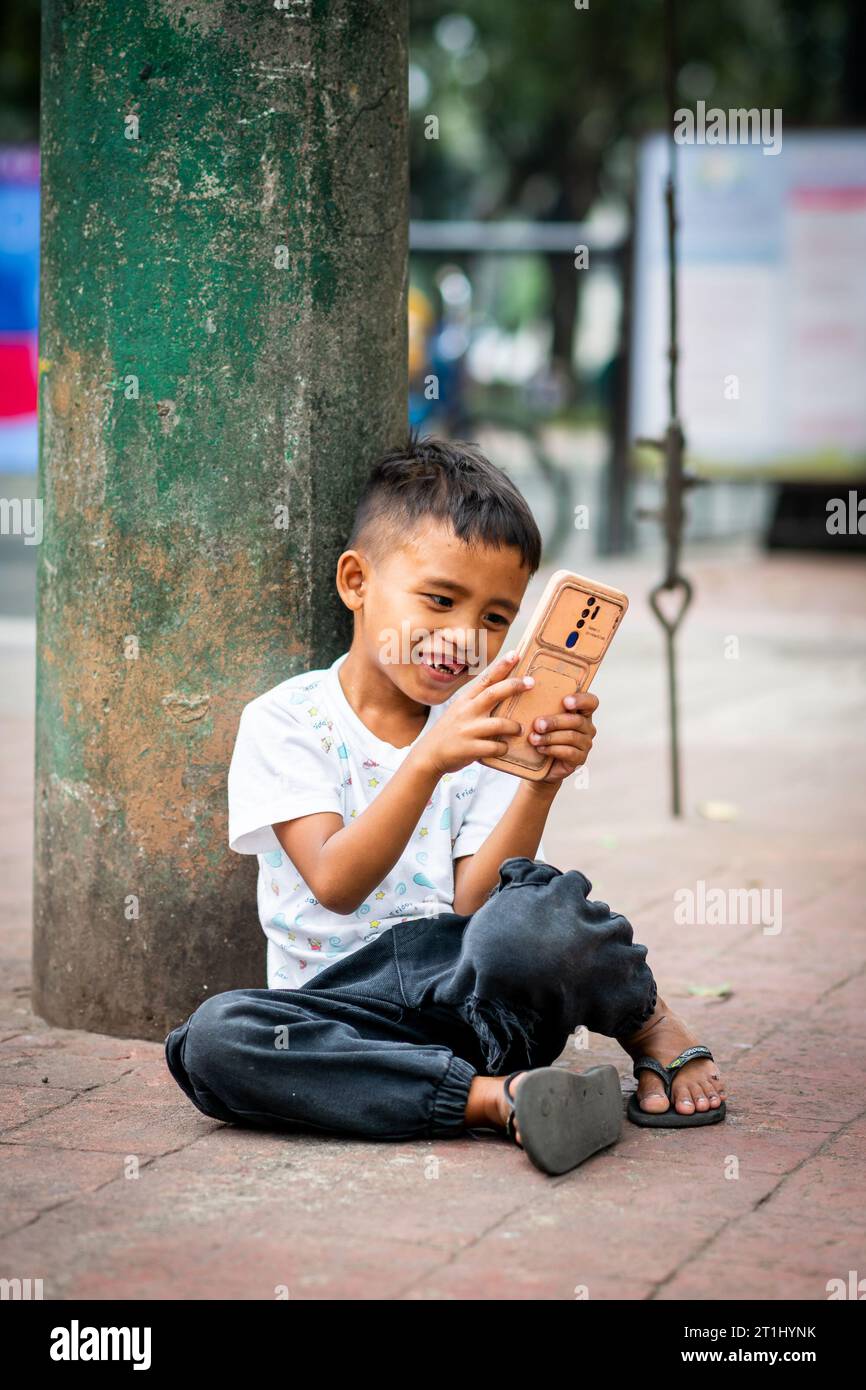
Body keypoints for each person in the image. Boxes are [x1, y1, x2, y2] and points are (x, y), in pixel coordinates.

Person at [164, 430, 727, 1175]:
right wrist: (429, 760)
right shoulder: (287, 721)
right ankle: (497, 1100)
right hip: (344, 1008)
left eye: (497, 618)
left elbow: (476, 904)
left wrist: (539, 779)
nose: (465, 637)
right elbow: (334, 883)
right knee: (216, 1038)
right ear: (357, 583)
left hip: (471, 998)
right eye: (440, 599)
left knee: (539, 907)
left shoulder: (483, 725)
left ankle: (647, 1023)